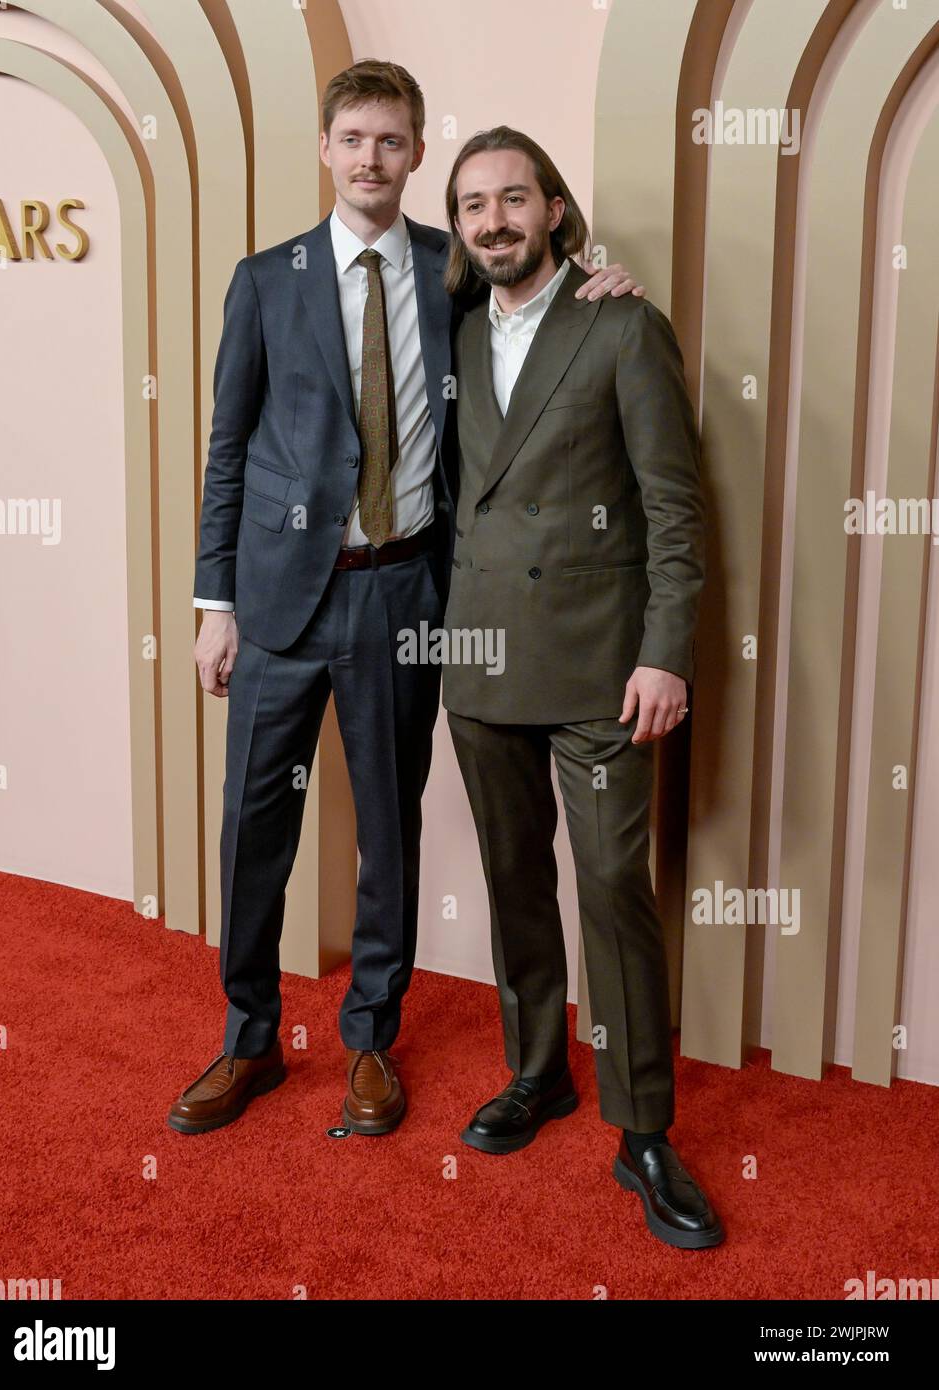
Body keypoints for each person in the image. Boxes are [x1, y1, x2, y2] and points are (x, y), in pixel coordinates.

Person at [168, 63, 641, 1138]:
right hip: (279, 600)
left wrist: (605, 277)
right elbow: (228, 451)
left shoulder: (450, 268)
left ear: (418, 153)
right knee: (254, 826)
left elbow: (539, 304)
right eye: (354, 139)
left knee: (390, 828)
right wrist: (215, 601)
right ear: (327, 150)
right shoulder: (265, 278)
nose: (372, 158)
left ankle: (369, 1038)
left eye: (393, 140)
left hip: (404, 596)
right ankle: (247, 1038)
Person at [440, 125, 723, 1249]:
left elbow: (675, 508)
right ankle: (540, 1071)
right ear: (460, 225)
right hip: (480, 658)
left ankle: (644, 1130)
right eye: (472, 206)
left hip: (604, 666)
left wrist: (667, 651)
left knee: (612, 890)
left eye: (515, 198)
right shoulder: (457, 333)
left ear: (554, 209)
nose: (494, 221)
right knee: (514, 882)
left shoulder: (621, 324)